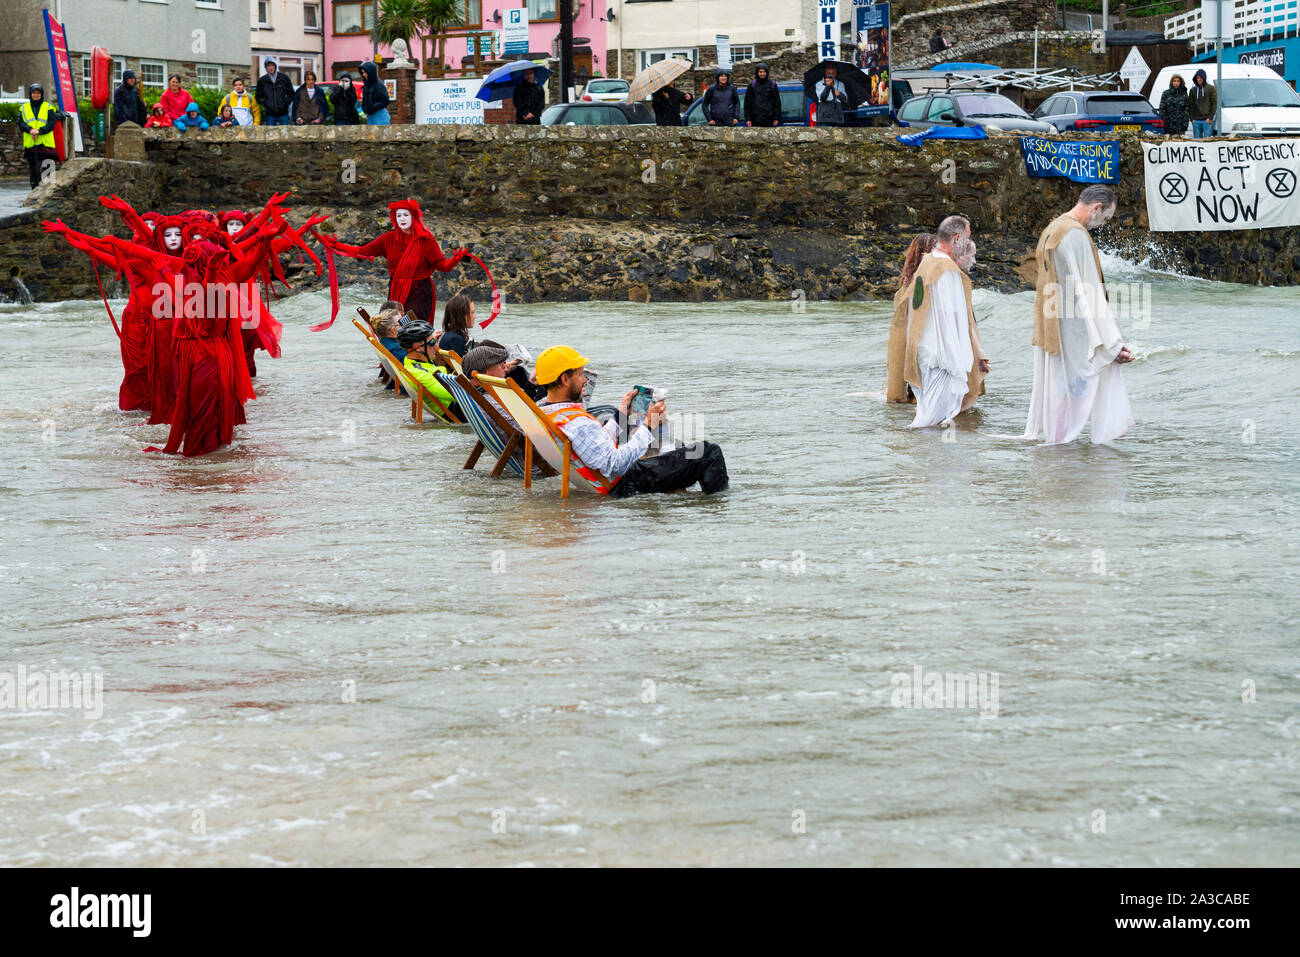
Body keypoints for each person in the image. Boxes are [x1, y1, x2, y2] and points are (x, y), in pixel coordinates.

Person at [534, 346, 728, 497]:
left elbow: (593, 445)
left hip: (605, 479)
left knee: (678, 447)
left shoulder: (545, 412)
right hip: (627, 482)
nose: (585, 379)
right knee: (709, 453)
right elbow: (615, 464)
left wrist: (621, 416)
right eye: (580, 374)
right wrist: (649, 425)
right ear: (565, 379)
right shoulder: (578, 424)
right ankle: (717, 507)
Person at [1024, 185, 1135, 445]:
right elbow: (1089, 291)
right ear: (1096, 207)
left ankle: (1058, 444)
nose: (1102, 224)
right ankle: (1060, 446)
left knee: (1060, 386)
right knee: (1074, 385)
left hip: (1052, 322)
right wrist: (1111, 343)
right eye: (1105, 218)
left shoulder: (1053, 228)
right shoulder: (1075, 234)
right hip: (1073, 327)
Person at [315, 199, 466, 323]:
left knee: (412, 325)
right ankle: (395, 354)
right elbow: (363, 251)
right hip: (396, 289)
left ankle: (419, 353)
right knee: (393, 324)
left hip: (420, 291)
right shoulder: (388, 239)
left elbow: (443, 266)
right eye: (399, 216)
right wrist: (336, 245)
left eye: (406, 215)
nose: (402, 219)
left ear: (413, 217)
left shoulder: (426, 241)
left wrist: (454, 260)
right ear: (394, 218)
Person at [902, 215, 989, 428]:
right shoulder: (946, 271)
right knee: (929, 421)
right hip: (940, 359)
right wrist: (958, 364)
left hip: (924, 354)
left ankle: (916, 454)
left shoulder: (928, 263)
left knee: (929, 415)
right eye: (967, 238)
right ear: (956, 238)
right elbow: (950, 320)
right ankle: (903, 447)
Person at [885, 232, 936, 404]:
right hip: (923, 340)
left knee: (914, 390)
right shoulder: (925, 280)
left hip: (908, 340)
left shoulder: (906, 282)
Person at [396, 321, 460, 416]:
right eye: (432, 342)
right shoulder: (417, 373)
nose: (436, 346)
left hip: (454, 402)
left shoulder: (416, 361)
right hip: (456, 409)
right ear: (417, 347)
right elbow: (454, 394)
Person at [20, 83, 59, 190]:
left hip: (46, 145)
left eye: (38, 93)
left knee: (48, 171)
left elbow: (51, 124)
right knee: (34, 171)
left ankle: (49, 193)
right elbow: (21, 123)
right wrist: (30, 130)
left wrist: (39, 131)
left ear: (42, 94)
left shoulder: (48, 107)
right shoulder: (24, 108)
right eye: (34, 93)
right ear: (30, 94)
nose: (36, 95)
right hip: (31, 144)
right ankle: (35, 193)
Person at [257, 57, 295, 126]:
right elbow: (259, 96)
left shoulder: (284, 78)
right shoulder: (262, 80)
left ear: (275, 66)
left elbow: (291, 93)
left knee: (284, 134)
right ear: (266, 67)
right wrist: (266, 104)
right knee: (270, 135)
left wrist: (285, 103)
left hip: (283, 114)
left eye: (272, 65)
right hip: (270, 114)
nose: (270, 67)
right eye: (268, 66)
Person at [745, 62, 782, 128]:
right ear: (757, 73)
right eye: (760, 72)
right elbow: (747, 103)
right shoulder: (752, 85)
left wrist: (776, 118)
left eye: (764, 72)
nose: (762, 74)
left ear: (767, 72)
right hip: (755, 119)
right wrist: (748, 118)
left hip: (769, 119)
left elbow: (777, 102)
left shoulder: (772, 84)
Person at [359, 61, 390, 125]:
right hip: (370, 116)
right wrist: (365, 108)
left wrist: (372, 107)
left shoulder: (379, 84)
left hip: (380, 115)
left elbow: (385, 100)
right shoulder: (366, 84)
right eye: (362, 73)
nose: (363, 75)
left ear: (370, 72)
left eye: (365, 72)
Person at [1189, 69, 1216, 138]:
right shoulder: (1192, 90)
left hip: (1207, 120)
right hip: (1196, 121)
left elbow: (1214, 104)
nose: (1199, 79)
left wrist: (1210, 118)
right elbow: (1190, 105)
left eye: (1201, 78)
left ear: (1204, 78)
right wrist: (1192, 119)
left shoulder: (1211, 88)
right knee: (1198, 142)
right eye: (1197, 78)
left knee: (1207, 141)